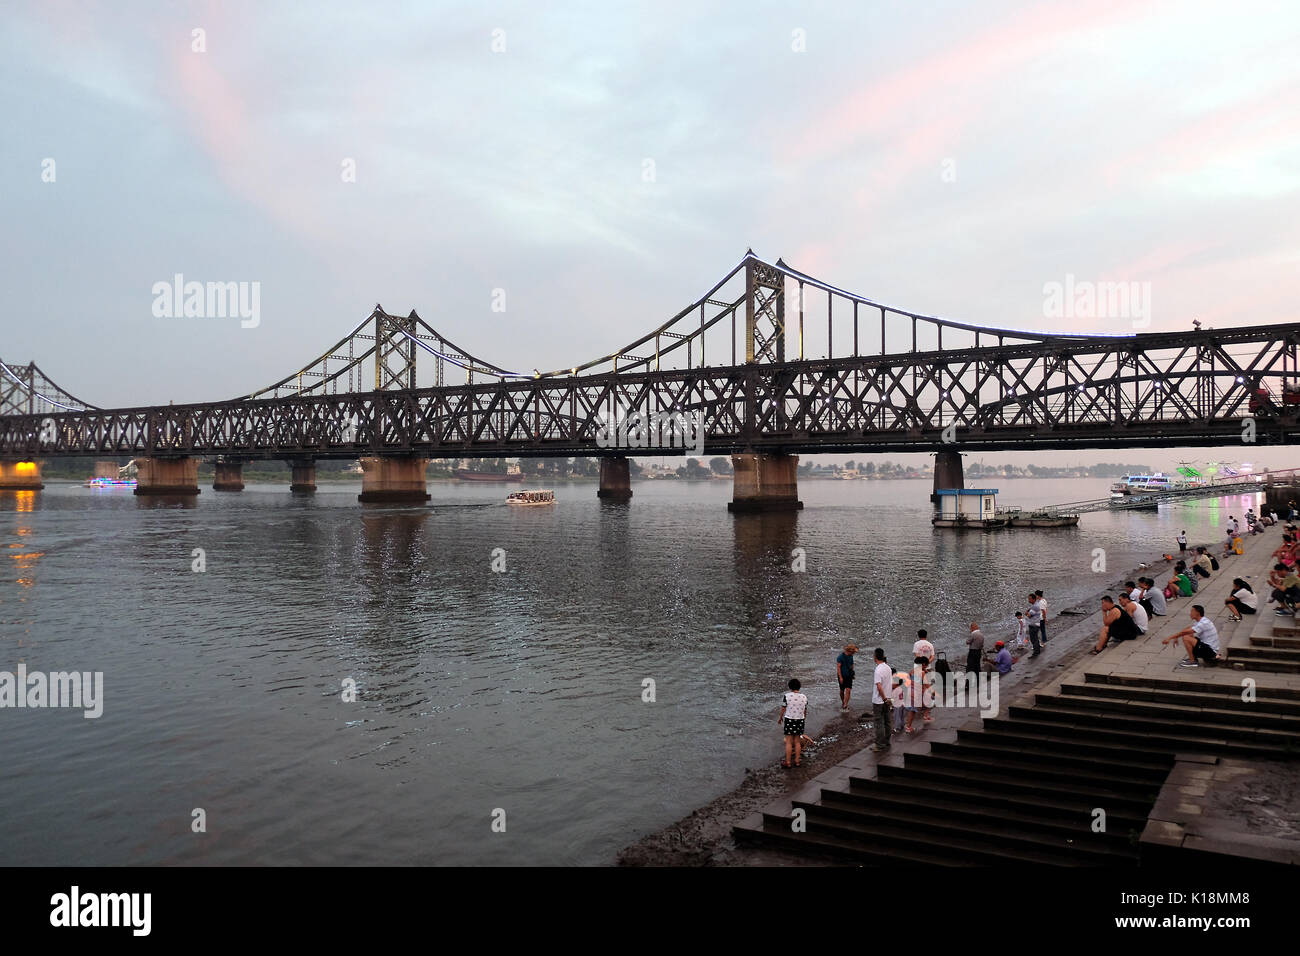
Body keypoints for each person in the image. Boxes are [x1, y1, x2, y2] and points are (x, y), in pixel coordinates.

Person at [779, 679, 808, 768]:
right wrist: (803, 718)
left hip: (789, 720)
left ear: (790, 687)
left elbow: (783, 708)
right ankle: (797, 761)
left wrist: (780, 718)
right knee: (797, 741)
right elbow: (805, 710)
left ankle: (788, 762)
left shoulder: (786, 696)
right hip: (800, 720)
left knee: (789, 742)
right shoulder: (804, 697)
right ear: (799, 687)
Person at [869, 649, 892, 752]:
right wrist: (887, 698)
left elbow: (879, 686)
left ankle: (879, 744)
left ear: (875, 657)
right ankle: (887, 741)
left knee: (879, 723)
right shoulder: (888, 668)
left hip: (879, 700)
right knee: (887, 721)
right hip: (888, 698)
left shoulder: (878, 670)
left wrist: (884, 698)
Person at [836, 644, 857, 709]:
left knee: (848, 690)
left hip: (849, 675)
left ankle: (845, 704)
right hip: (842, 675)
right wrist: (840, 677)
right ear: (849, 651)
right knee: (842, 690)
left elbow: (852, 664)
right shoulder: (840, 657)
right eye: (853, 652)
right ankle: (843, 702)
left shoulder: (851, 656)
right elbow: (838, 668)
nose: (853, 653)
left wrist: (853, 673)